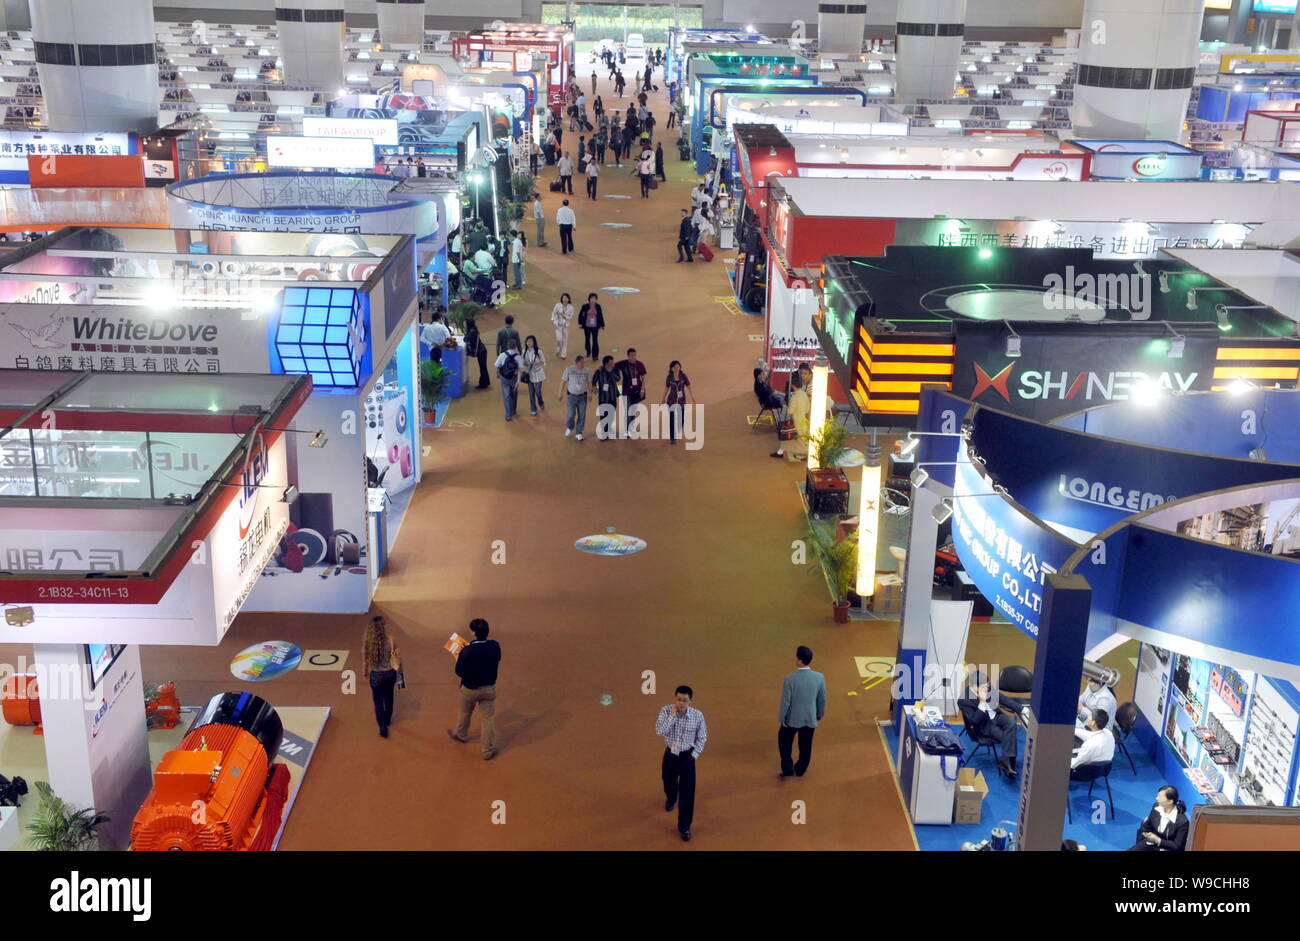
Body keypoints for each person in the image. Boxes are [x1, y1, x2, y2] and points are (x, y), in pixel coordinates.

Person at [655, 685, 707, 842]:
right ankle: (671, 798)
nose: (681, 703)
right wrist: (672, 716)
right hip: (671, 754)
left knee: (687, 794)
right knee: (667, 781)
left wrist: (694, 755)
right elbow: (659, 731)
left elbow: (702, 737)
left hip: (687, 757)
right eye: (678, 699)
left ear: (690, 701)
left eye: (684, 700)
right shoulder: (665, 711)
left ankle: (684, 827)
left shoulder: (697, 716)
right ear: (674, 698)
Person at [447, 618, 501, 760]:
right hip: (489, 688)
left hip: (469, 689)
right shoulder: (495, 646)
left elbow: (459, 672)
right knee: (487, 719)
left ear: (473, 633)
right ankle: (487, 750)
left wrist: (460, 658)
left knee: (465, 713)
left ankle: (462, 735)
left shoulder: (466, 651)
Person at [778, 645, 827, 777]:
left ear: (800, 661)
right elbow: (822, 698)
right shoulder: (819, 677)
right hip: (810, 718)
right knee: (806, 745)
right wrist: (819, 714)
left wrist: (782, 718)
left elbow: (786, 702)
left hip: (792, 719)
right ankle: (801, 768)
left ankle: (787, 769)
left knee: (784, 742)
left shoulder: (789, 679)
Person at [958, 674, 1019, 778]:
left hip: (995, 716)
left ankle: (1007, 764)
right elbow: (975, 721)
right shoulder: (964, 700)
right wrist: (982, 702)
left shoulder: (986, 687)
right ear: (974, 687)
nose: (987, 688)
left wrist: (1021, 709)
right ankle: (1009, 764)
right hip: (984, 725)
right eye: (984, 687)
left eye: (987, 685)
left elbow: (1002, 698)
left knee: (1011, 723)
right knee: (1008, 737)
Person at [363, 616, 402, 738]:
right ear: (383, 627)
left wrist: (365, 672)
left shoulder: (368, 643)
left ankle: (382, 727)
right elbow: (397, 657)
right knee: (389, 697)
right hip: (390, 674)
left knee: (378, 702)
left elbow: (366, 660)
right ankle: (388, 719)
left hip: (376, 676)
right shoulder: (391, 640)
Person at [1127, 786, 1189, 852]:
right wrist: (1146, 833)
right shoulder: (1156, 807)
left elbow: (1177, 846)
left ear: (1170, 801)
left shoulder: (1183, 822)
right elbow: (1147, 826)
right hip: (1152, 843)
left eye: (1160, 797)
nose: (1156, 798)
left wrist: (1158, 840)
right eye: (1157, 796)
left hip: (1168, 848)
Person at [1071, 708, 1115, 775]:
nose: (1088, 717)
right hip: (1103, 770)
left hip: (1083, 773)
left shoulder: (1089, 745)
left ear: (1093, 723)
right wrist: (1072, 730)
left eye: (1090, 716)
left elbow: (1074, 765)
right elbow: (1088, 734)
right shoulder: (1108, 733)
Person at [559, 354, 592, 441]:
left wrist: (590, 393)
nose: (583, 364)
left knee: (582, 415)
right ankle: (570, 427)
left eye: (584, 362)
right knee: (570, 415)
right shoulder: (569, 370)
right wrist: (560, 393)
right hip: (571, 396)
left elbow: (589, 383)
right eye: (581, 363)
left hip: (582, 396)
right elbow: (563, 382)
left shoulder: (586, 371)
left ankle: (579, 432)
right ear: (576, 363)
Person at [663, 360, 694, 445]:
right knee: (672, 419)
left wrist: (692, 396)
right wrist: (663, 398)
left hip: (681, 401)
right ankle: (673, 438)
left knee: (681, 420)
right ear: (671, 368)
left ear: (680, 367)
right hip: (671, 401)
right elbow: (666, 388)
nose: (677, 368)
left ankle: (677, 431)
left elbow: (688, 386)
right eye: (675, 367)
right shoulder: (669, 377)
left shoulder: (683, 376)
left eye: (678, 366)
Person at [615, 348, 647, 429]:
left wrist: (642, 389)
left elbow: (643, 378)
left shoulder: (640, 364)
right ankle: (627, 428)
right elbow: (612, 366)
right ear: (628, 356)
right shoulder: (623, 363)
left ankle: (631, 426)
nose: (633, 357)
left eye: (635, 355)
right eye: (631, 355)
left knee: (633, 410)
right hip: (626, 391)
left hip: (636, 391)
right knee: (627, 410)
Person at [591, 355, 621, 439]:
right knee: (603, 416)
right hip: (603, 398)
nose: (613, 364)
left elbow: (618, 378)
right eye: (611, 363)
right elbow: (593, 381)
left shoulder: (615, 370)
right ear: (606, 364)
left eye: (613, 363)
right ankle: (604, 433)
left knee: (611, 414)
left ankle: (608, 428)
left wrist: (611, 372)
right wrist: (594, 388)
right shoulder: (599, 371)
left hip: (612, 397)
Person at [495, 339, 523, 421]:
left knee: (506, 396)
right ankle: (513, 410)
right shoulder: (518, 357)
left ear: (507, 346)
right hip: (514, 378)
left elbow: (497, 366)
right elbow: (520, 370)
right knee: (514, 394)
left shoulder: (502, 355)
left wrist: (497, 374)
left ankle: (508, 415)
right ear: (515, 347)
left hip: (504, 378)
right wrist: (518, 381)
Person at [521, 334, 546, 416]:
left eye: (531, 341)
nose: (529, 343)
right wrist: (526, 364)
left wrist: (535, 363)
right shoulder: (524, 352)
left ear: (534, 342)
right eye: (528, 341)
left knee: (538, 391)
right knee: (531, 393)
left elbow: (543, 362)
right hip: (529, 374)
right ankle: (533, 409)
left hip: (538, 373)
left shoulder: (538, 351)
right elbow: (522, 363)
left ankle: (541, 402)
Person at [465, 316, 490, 390]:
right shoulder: (473, 329)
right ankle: (485, 382)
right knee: (483, 367)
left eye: (465, 323)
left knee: (482, 368)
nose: (464, 324)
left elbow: (465, 339)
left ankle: (483, 384)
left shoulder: (472, 331)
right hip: (482, 350)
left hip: (481, 351)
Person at [580, 292, 604, 359]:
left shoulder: (598, 306)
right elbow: (581, 315)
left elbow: (600, 316)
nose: (593, 300)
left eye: (594, 298)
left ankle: (595, 355)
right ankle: (588, 352)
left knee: (595, 340)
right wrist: (580, 323)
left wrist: (602, 324)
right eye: (592, 298)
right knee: (587, 339)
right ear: (589, 299)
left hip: (595, 326)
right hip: (587, 326)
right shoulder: (585, 306)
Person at [551, 292, 575, 358]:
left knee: (565, 340)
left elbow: (571, 317)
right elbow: (554, 313)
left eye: (566, 298)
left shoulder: (571, 307)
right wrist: (553, 320)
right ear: (562, 298)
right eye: (564, 297)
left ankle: (563, 354)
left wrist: (564, 316)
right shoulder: (557, 305)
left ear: (568, 299)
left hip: (566, 326)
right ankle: (558, 348)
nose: (565, 299)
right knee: (559, 339)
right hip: (558, 325)